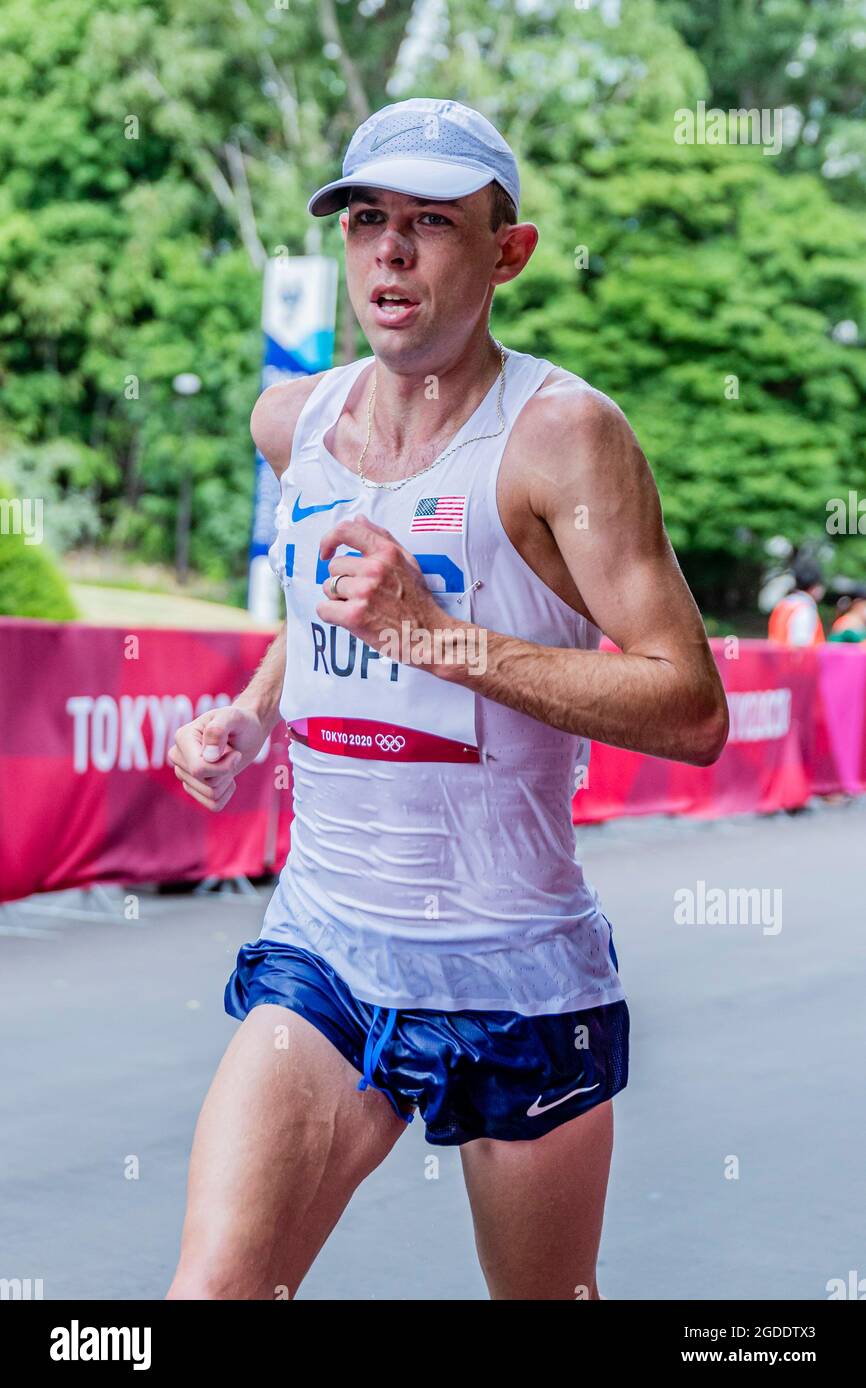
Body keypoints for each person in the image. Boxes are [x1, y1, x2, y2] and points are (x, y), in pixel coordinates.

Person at [165, 97, 729, 1301]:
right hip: (324, 945)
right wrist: (253, 713)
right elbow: (323, 611)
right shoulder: (293, 421)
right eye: (366, 219)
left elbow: (688, 708)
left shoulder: (563, 437)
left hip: (514, 968)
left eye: (430, 222)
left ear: (506, 252)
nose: (390, 251)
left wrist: (434, 637)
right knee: (212, 1292)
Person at [767, 558, 826, 646]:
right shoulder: (805, 609)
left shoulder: (783, 604)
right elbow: (801, 646)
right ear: (815, 586)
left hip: (777, 654)